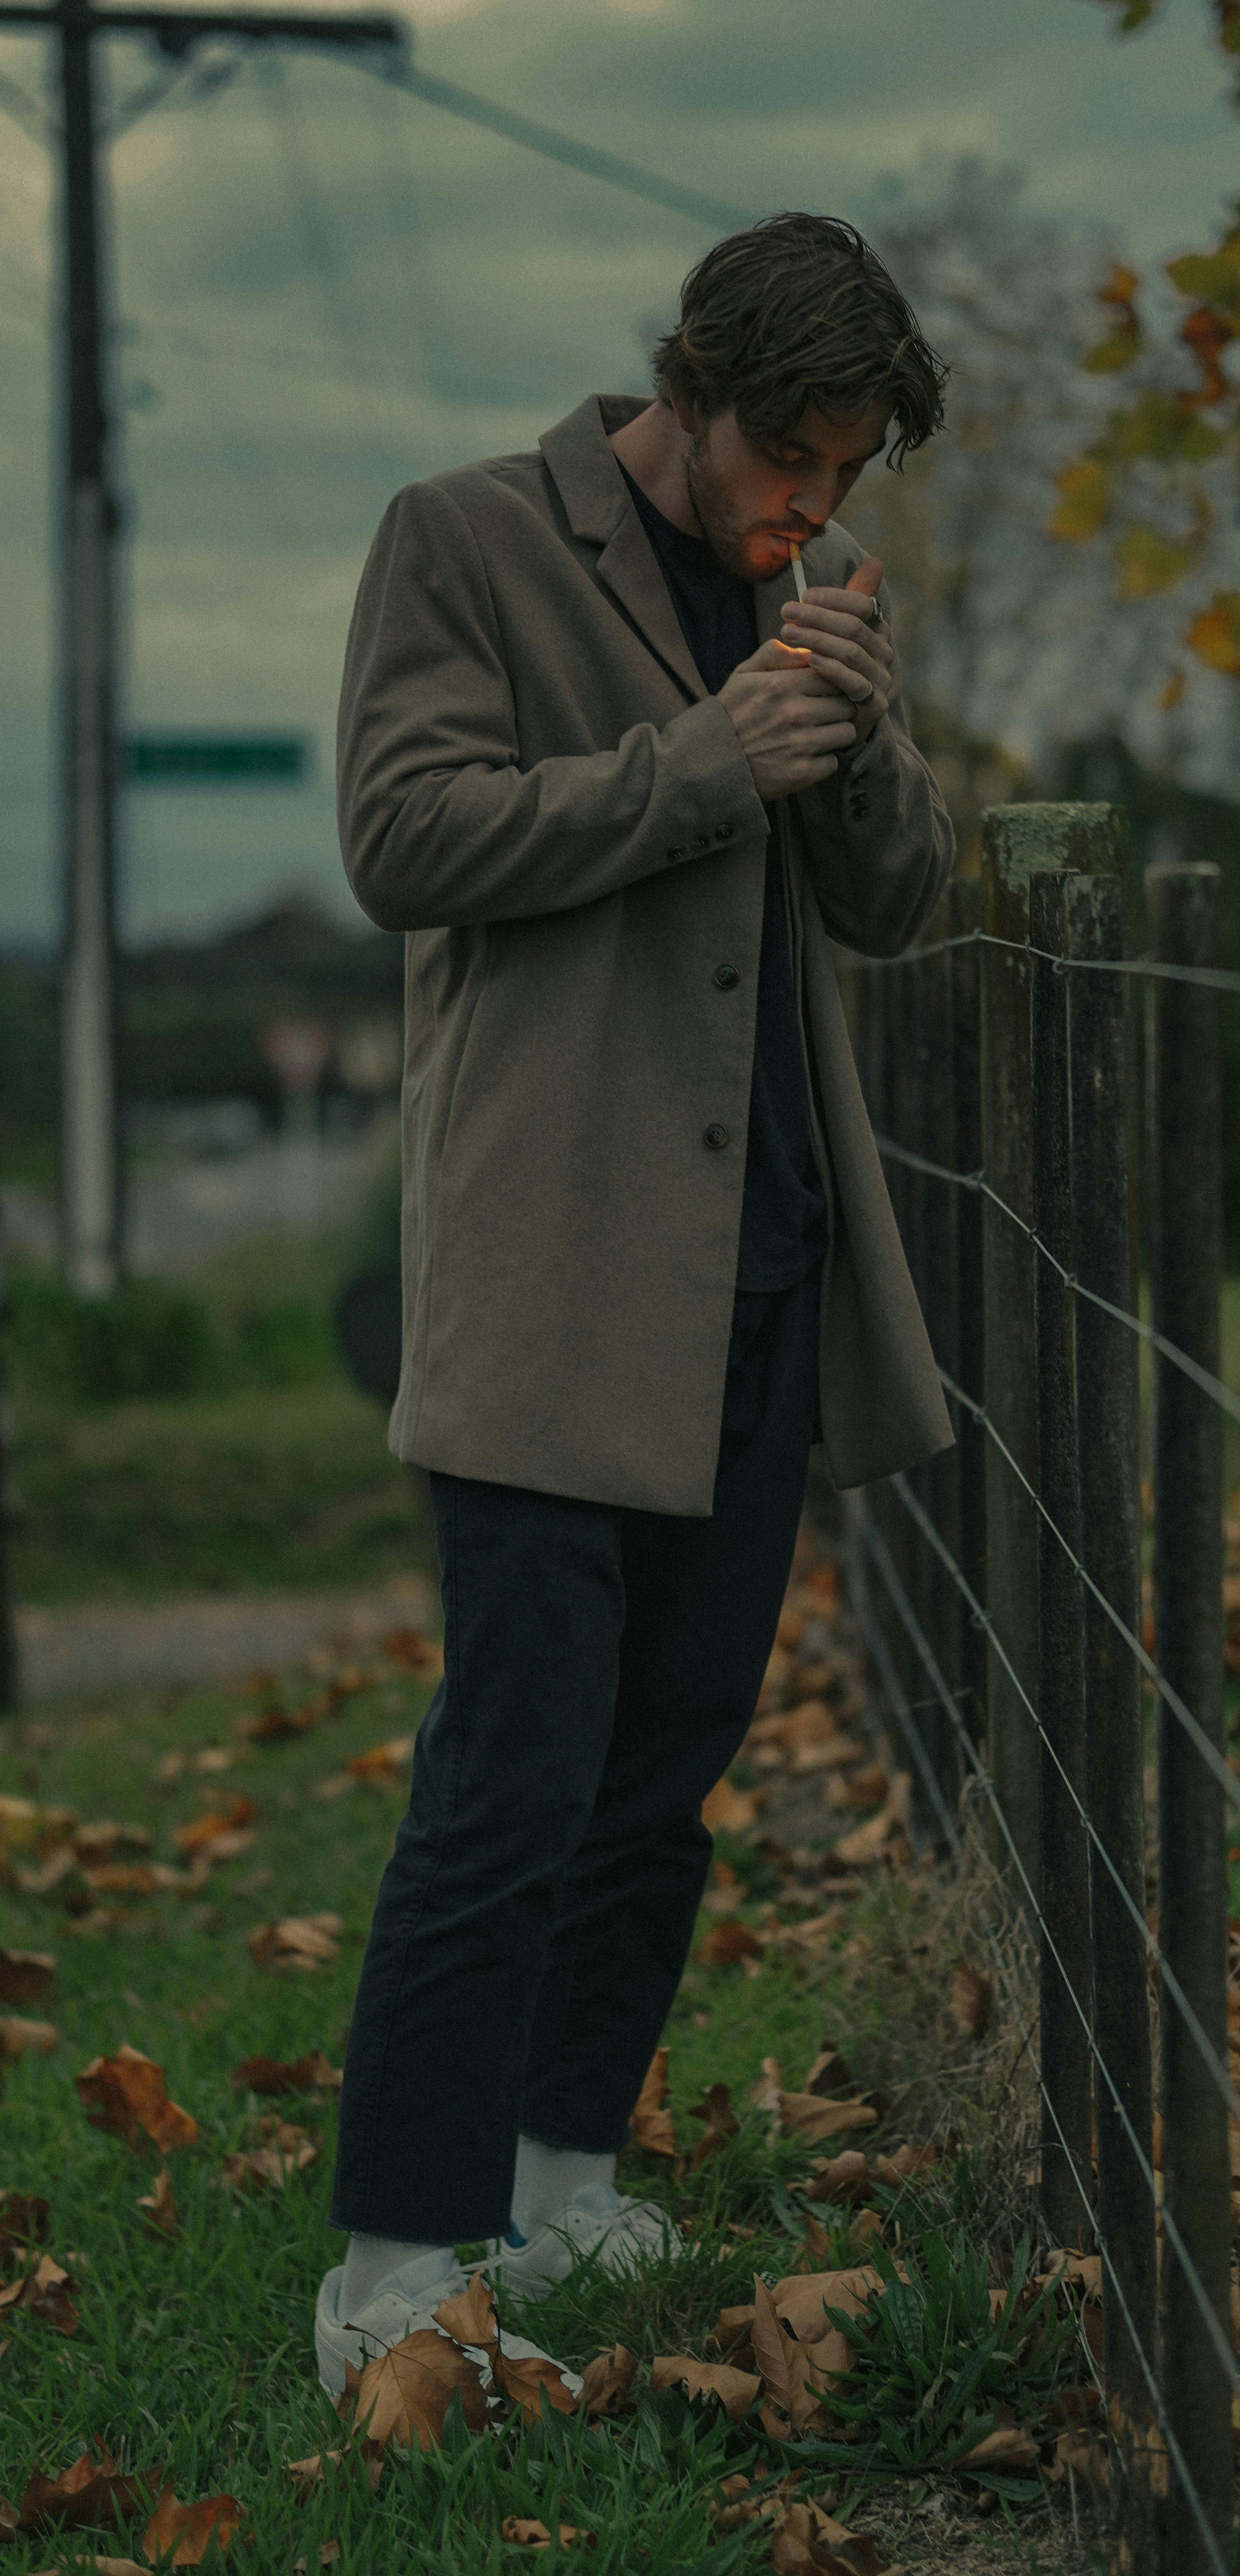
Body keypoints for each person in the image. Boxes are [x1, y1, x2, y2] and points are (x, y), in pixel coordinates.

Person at [315, 211, 957, 2398]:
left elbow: (892, 900)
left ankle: (560, 2182)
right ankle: (396, 2262)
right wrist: (710, 760)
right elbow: (403, 840)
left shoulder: (817, 600)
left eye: (848, 477)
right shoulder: (467, 543)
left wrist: (856, 735)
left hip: (766, 1271)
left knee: (662, 1778)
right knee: (509, 1776)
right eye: (791, 457)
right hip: (548, 1275)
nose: (814, 509)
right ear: (686, 390)